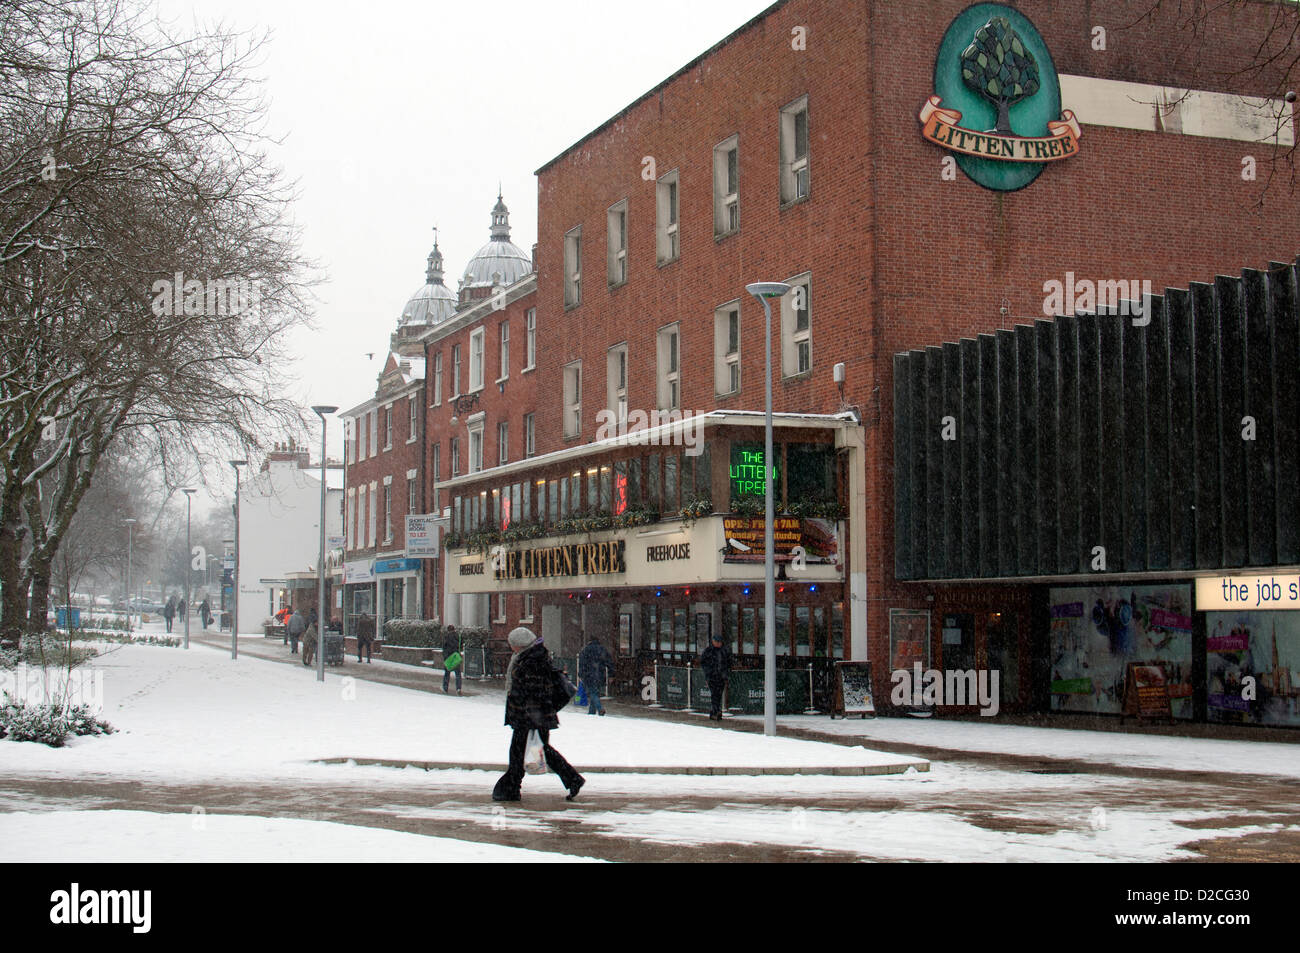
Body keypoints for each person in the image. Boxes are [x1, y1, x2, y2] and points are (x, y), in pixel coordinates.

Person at [492, 627, 584, 803]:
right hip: (532, 716)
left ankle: (512, 787)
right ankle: (571, 779)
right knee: (537, 751)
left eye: (513, 645)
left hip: (531, 717)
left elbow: (532, 690)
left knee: (524, 752)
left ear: (520, 645)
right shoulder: (530, 657)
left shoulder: (532, 661)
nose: (512, 648)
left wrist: (526, 712)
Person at [577, 634, 614, 716]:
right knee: (595, 693)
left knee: (592, 693)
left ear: (589, 641)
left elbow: (582, 663)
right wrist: (611, 674)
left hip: (588, 675)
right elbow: (609, 662)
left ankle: (600, 708)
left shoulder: (586, 650)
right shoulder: (602, 649)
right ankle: (591, 712)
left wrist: (581, 674)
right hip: (600, 674)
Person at [700, 634, 731, 721]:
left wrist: (725, 673)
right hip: (712, 677)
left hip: (721, 676)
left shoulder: (724, 651)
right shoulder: (709, 651)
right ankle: (715, 711)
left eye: (719, 642)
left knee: (718, 694)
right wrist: (709, 672)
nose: (718, 644)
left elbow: (728, 663)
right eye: (716, 642)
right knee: (714, 694)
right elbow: (703, 662)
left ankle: (716, 711)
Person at [442, 624, 463, 695]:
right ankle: (458, 688)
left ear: (448, 630)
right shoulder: (458, 636)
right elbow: (460, 646)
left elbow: (444, 648)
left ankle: (445, 688)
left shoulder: (446, 637)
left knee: (447, 674)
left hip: (449, 657)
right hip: (456, 657)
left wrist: (445, 658)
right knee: (458, 674)